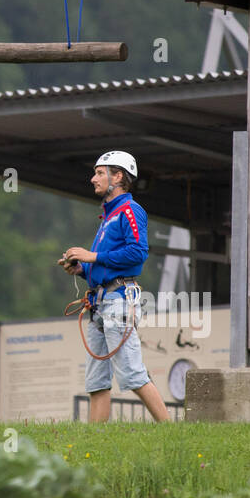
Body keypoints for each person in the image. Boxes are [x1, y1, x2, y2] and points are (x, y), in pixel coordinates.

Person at [60, 150, 169, 424]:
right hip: (100, 303)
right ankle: (96, 443)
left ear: (118, 176)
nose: (93, 178)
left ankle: (172, 430)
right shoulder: (108, 216)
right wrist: (82, 269)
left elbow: (138, 253)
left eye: (99, 172)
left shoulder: (130, 210)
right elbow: (107, 266)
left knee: (132, 374)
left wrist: (92, 256)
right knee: (96, 380)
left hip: (119, 301)